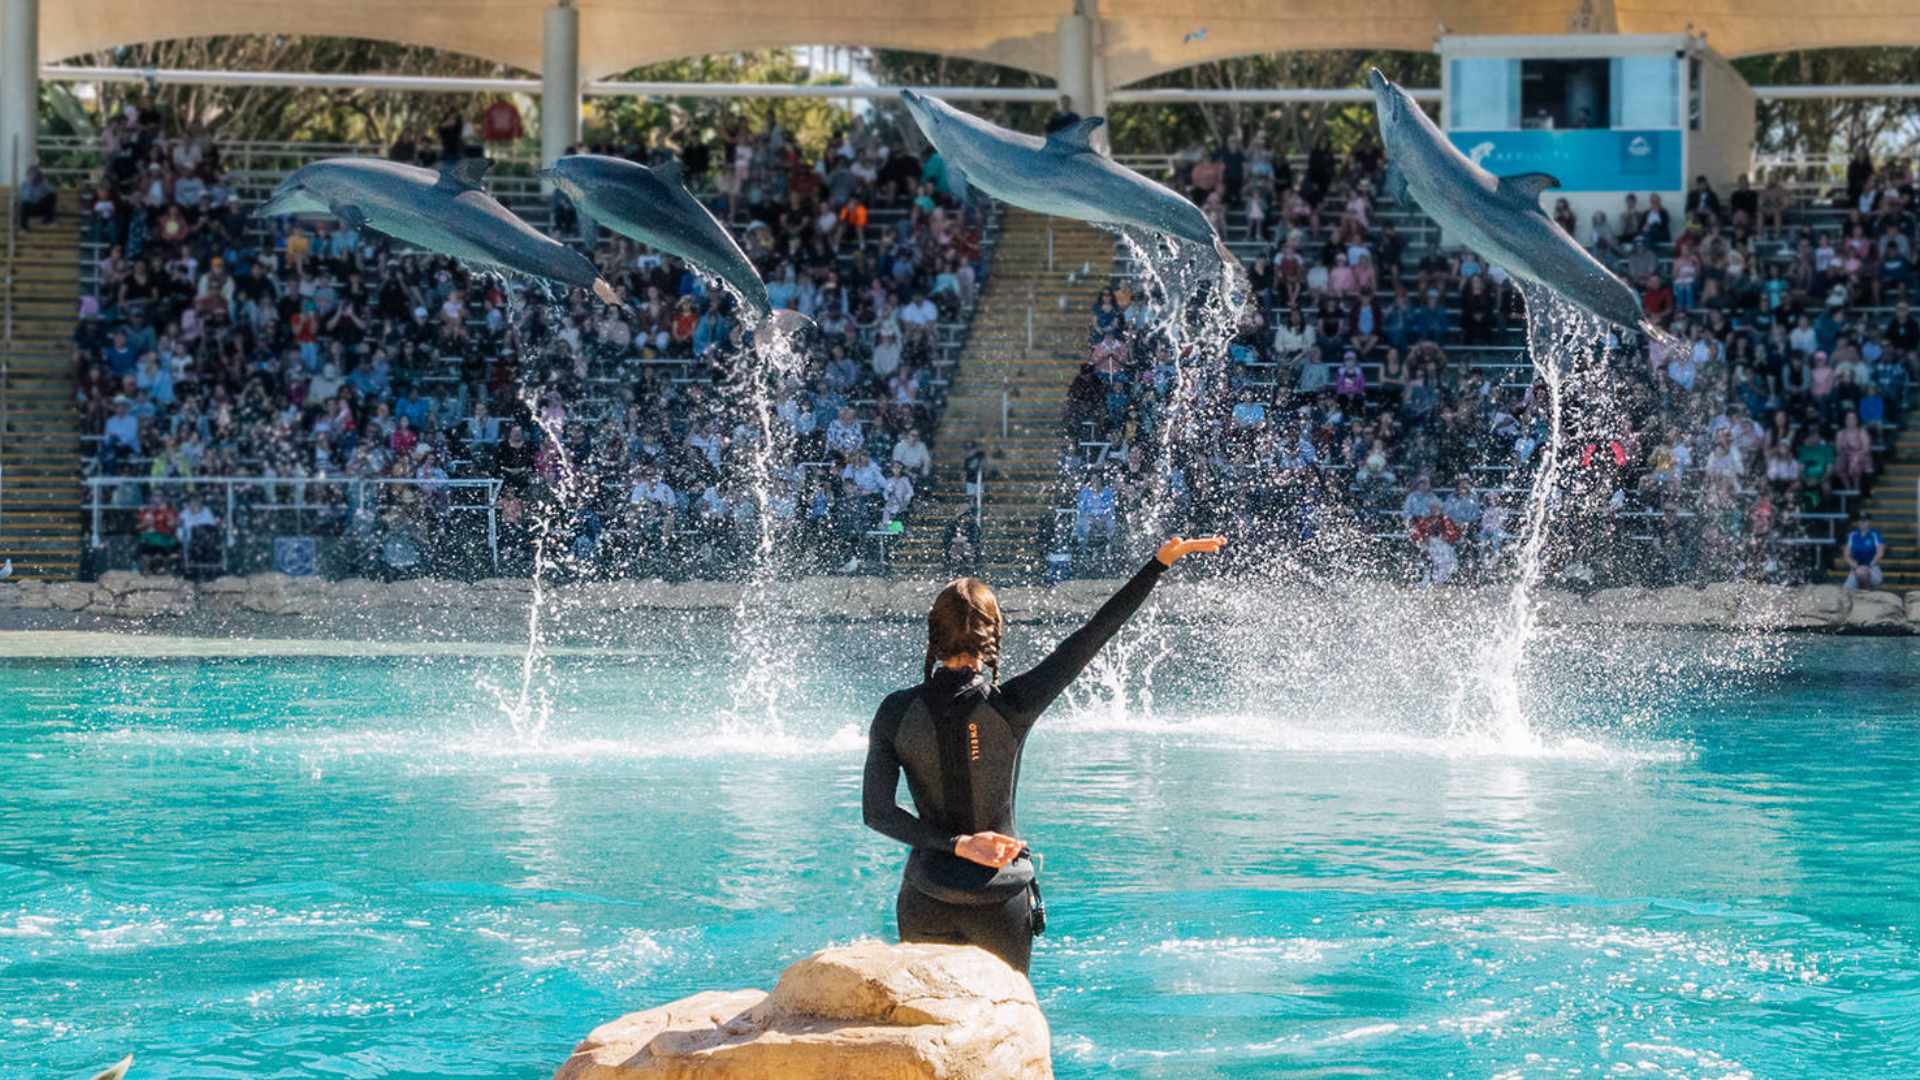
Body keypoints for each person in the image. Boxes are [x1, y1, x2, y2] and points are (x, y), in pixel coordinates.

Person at [862, 534, 1226, 973]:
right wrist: (1158, 564)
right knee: (1007, 1032)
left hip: (927, 898)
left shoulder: (895, 711)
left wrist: (957, 845)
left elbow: (877, 813)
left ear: (934, 636)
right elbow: (1094, 633)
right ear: (992, 637)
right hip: (998, 902)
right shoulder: (1012, 705)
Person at [1841, 512, 1886, 591]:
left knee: (1861, 572)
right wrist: (1854, 565)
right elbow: (1846, 554)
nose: (1862, 523)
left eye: (1865, 521)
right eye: (1860, 520)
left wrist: (1868, 565)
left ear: (1869, 522)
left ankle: (1866, 594)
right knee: (1845, 590)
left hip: (1873, 568)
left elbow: (1880, 553)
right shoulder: (1853, 535)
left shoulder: (1875, 535)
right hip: (1856, 567)